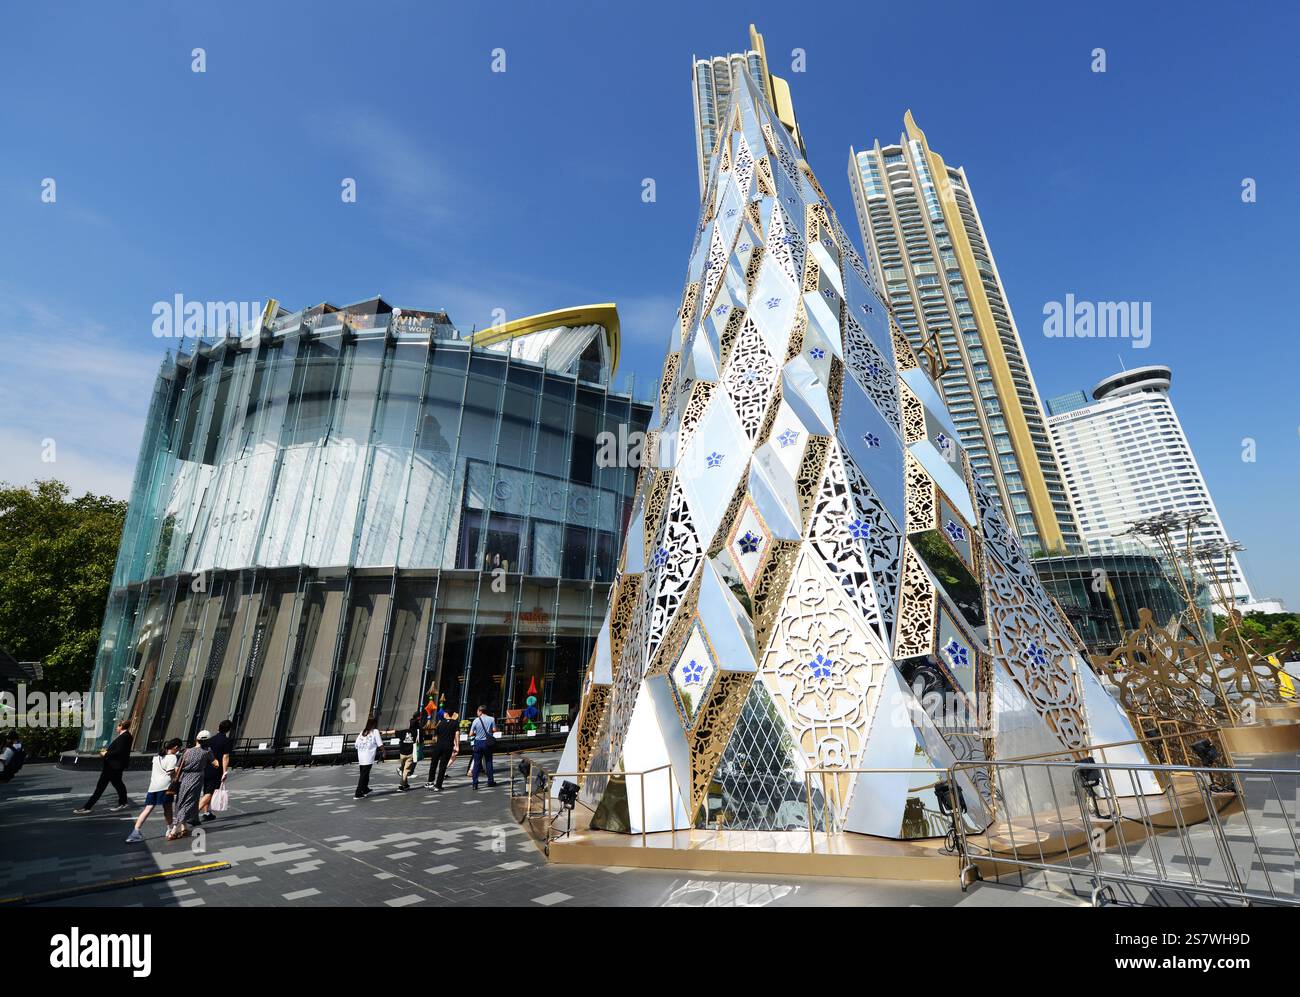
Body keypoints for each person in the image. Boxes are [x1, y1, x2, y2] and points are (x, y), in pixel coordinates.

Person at [127, 739, 181, 842]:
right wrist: (176, 778)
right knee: (167, 808)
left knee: (148, 808)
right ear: (175, 747)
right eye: (178, 748)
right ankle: (169, 829)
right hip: (165, 786)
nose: (178, 750)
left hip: (153, 786)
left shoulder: (156, 757)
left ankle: (135, 832)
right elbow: (170, 772)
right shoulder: (172, 757)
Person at [74, 722, 133, 814]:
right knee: (118, 784)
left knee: (100, 787)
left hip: (113, 767)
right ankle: (123, 802)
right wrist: (107, 751)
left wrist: (105, 753)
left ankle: (87, 807)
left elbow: (119, 751)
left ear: (121, 726)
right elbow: (118, 750)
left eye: (118, 726)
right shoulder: (125, 736)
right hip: (113, 766)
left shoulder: (125, 736)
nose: (116, 728)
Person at [168, 732, 216, 839]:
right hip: (196, 779)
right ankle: (174, 829)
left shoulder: (187, 751)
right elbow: (214, 763)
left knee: (181, 802)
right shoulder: (207, 751)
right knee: (188, 803)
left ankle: (184, 828)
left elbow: (177, 768)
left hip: (183, 779)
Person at [198, 719, 234, 821]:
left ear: (218, 727)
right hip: (216, 769)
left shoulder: (210, 740)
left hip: (205, 767)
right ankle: (194, 814)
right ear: (228, 730)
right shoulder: (227, 741)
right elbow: (225, 757)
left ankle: (207, 813)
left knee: (206, 790)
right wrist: (224, 771)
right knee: (210, 792)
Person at [424, 710, 459, 791]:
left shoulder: (440, 723)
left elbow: (435, 738)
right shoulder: (455, 723)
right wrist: (457, 745)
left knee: (434, 763)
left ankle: (430, 782)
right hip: (448, 746)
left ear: (446, 714)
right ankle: (438, 785)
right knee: (442, 766)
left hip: (438, 746)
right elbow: (457, 734)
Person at [468, 705, 498, 790]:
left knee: (477, 763)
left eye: (477, 711)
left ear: (480, 711)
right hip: (487, 743)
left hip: (478, 743)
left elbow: (470, 734)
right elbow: (494, 730)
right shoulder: (491, 719)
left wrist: (476, 733)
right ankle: (490, 781)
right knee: (488, 762)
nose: (477, 712)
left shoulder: (476, 720)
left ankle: (475, 783)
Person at [354, 717, 384, 798]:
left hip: (361, 757)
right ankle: (358, 793)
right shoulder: (375, 731)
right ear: (373, 724)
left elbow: (356, 745)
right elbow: (380, 744)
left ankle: (365, 789)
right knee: (363, 775)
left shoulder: (362, 732)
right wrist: (384, 752)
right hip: (368, 756)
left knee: (364, 774)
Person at [394, 710, 422, 791]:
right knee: (406, 770)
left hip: (402, 754)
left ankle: (405, 784)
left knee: (404, 770)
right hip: (410, 754)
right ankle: (401, 785)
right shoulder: (416, 733)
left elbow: (394, 731)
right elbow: (419, 741)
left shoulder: (404, 731)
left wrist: (384, 732)